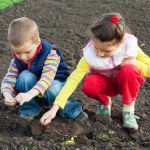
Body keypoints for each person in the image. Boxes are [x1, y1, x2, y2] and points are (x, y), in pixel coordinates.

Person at [40, 13, 150, 130]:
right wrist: (55, 108)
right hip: (107, 86)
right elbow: (73, 80)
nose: (100, 54)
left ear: (120, 42)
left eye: (106, 50)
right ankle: (105, 103)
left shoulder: (129, 47)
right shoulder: (90, 55)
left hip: (126, 83)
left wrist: (134, 63)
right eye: (97, 48)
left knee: (129, 70)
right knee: (90, 83)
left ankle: (128, 111)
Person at [1, 17, 88, 122]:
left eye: (27, 52)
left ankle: (71, 110)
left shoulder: (50, 53)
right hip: (32, 94)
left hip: (53, 87)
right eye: (18, 53)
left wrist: (29, 94)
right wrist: (6, 95)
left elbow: (47, 79)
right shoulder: (16, 60)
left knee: (54, 88)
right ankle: (30, 109)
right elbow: (9, 78)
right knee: (24, 76)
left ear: (37, 42)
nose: (23, 57)